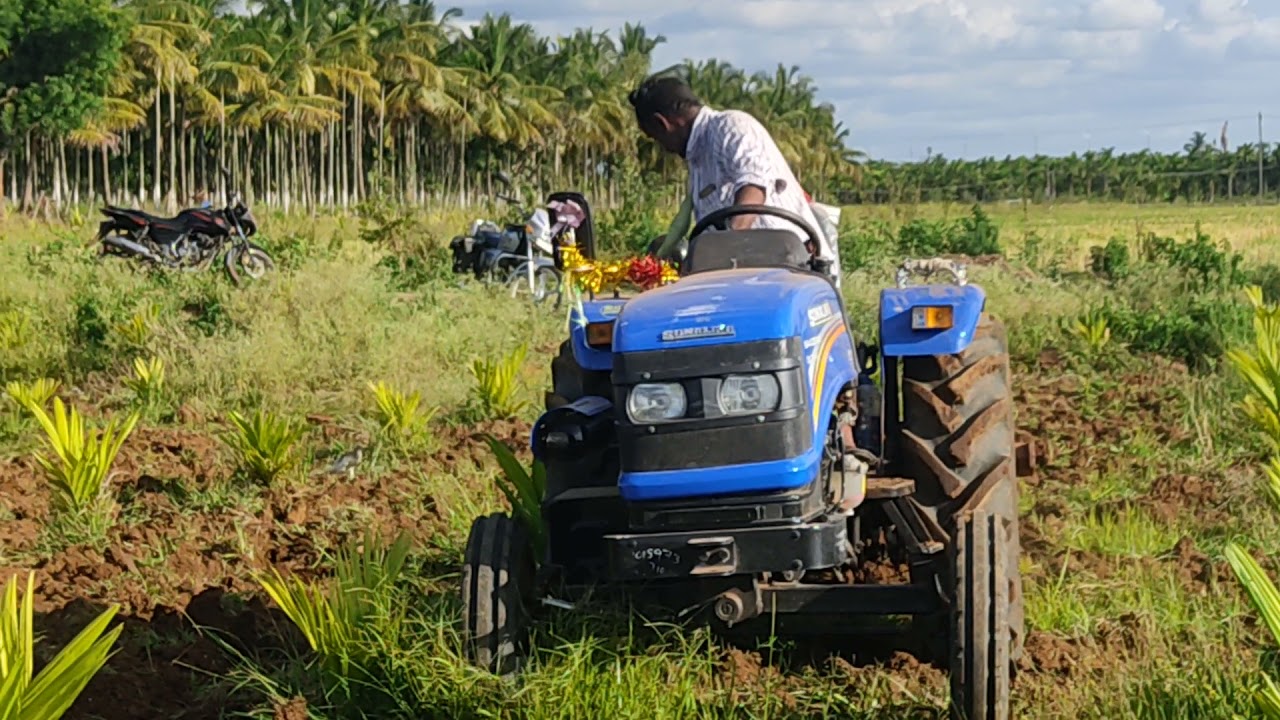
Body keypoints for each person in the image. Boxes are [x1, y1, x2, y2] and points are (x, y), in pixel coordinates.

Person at [628, 75, 840, 282]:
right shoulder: (698, 160)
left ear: (662, 124)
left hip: (792, 269)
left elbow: (753, 187)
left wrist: (726, 248)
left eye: (656, 138)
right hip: (749, 273)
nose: (664, 148)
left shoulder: (730, 127)